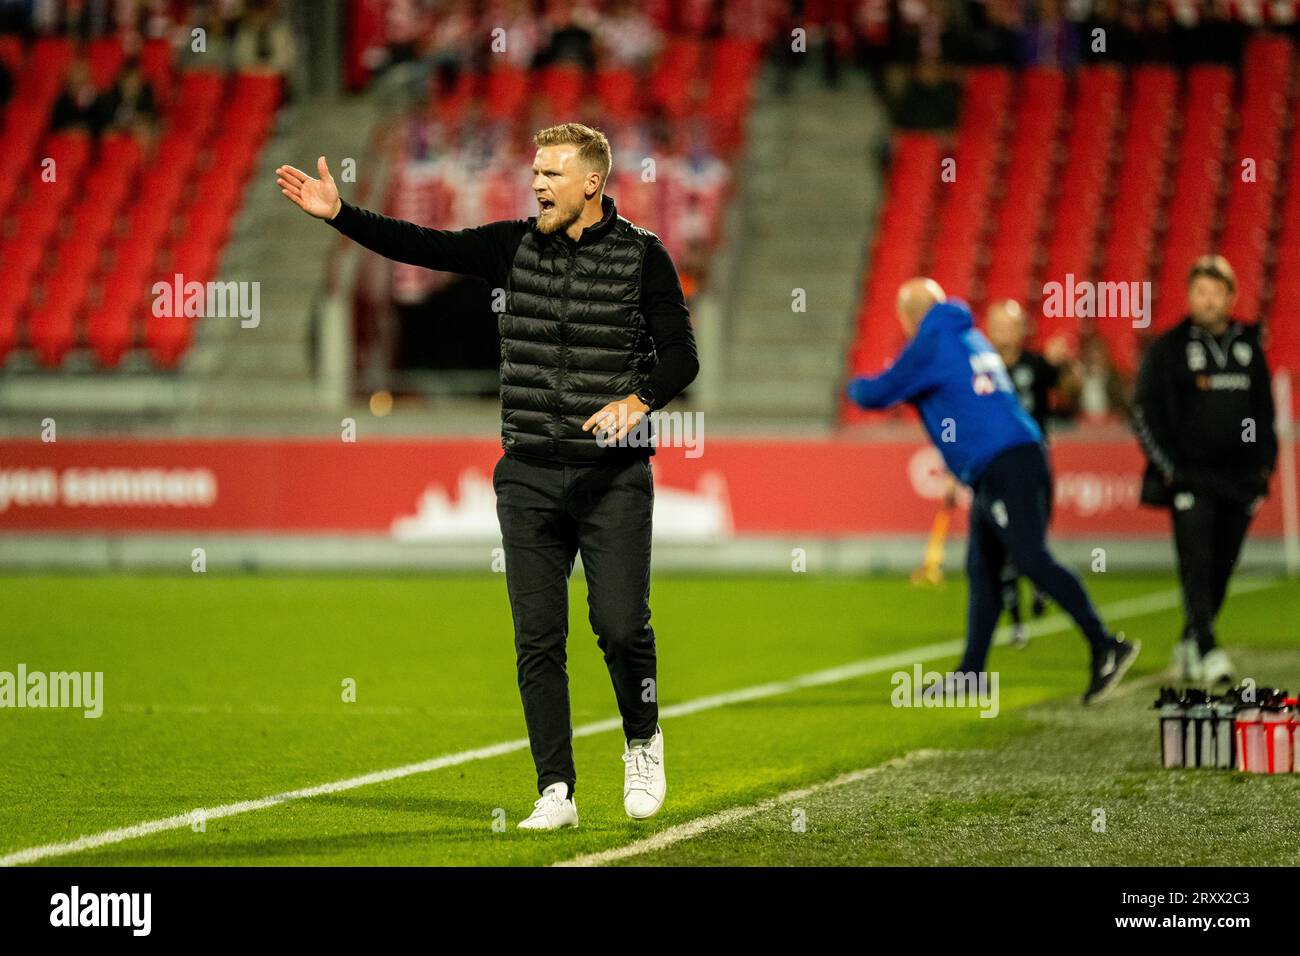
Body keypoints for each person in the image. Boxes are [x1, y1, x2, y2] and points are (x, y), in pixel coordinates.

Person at [275, 123, 698, 829]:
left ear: (593, 182)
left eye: (553, 175)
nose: (537, 184)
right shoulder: (512, 246)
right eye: (535, 173)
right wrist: (342, 215)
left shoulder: (644, 258)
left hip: (612, 475)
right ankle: (555, 789)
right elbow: (424, 245)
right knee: (538, 636)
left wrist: (637, 401)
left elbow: (681, 355)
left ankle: (642, 740)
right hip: (527, 471)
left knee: (621, 627)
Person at [847, 278, 1139, 705]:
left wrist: (847, 386)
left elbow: (874, 394)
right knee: (983, 569)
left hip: (1005, 462)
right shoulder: (968, 335)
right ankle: (970, 674)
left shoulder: (931, 341)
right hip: (1012, 457)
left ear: (909, 316)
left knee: (1030, 557)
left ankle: (1105, 645)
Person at [1133, 255, 1277, 685]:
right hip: (1190, 478)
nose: (1208, 300)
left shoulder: (1248, 346)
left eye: (1217, 292)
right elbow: (1144, 412)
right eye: (1200, 291)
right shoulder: (1170, 348)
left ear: (1231, 297)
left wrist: (1261, 462)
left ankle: (1191, 638)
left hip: (1240, 480)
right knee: (1196, 562)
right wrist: (1170, 468)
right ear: (1189, 295)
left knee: (1222, 566)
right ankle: (1210, 650)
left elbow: (1260, 412)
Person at [984, 299, 1079, 645]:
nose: (1003, 333)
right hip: (995, 469)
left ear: (1021, 330)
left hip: (1034, 467)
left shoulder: (1037, 365)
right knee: (1004, 547)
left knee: (1032, 544)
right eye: (996, 325)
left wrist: (1066, 365)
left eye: (1009, 325)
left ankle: (1041, 585)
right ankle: (1016, 623)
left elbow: (1071, 393)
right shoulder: (979, 368)